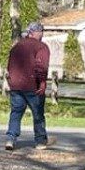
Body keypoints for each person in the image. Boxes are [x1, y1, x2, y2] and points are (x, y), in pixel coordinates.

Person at [5, 21, 51, 150]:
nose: (42, 34)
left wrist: (11, 81)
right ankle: (40, 141)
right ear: (35, 32)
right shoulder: (41, 47)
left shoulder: (16, 46)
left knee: (16, 113)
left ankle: (10, 139)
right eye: (41, 31)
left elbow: (9, 66)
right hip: (32, 86)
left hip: (16, 85)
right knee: (38, 114)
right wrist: (42, 82)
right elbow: (41, 67)